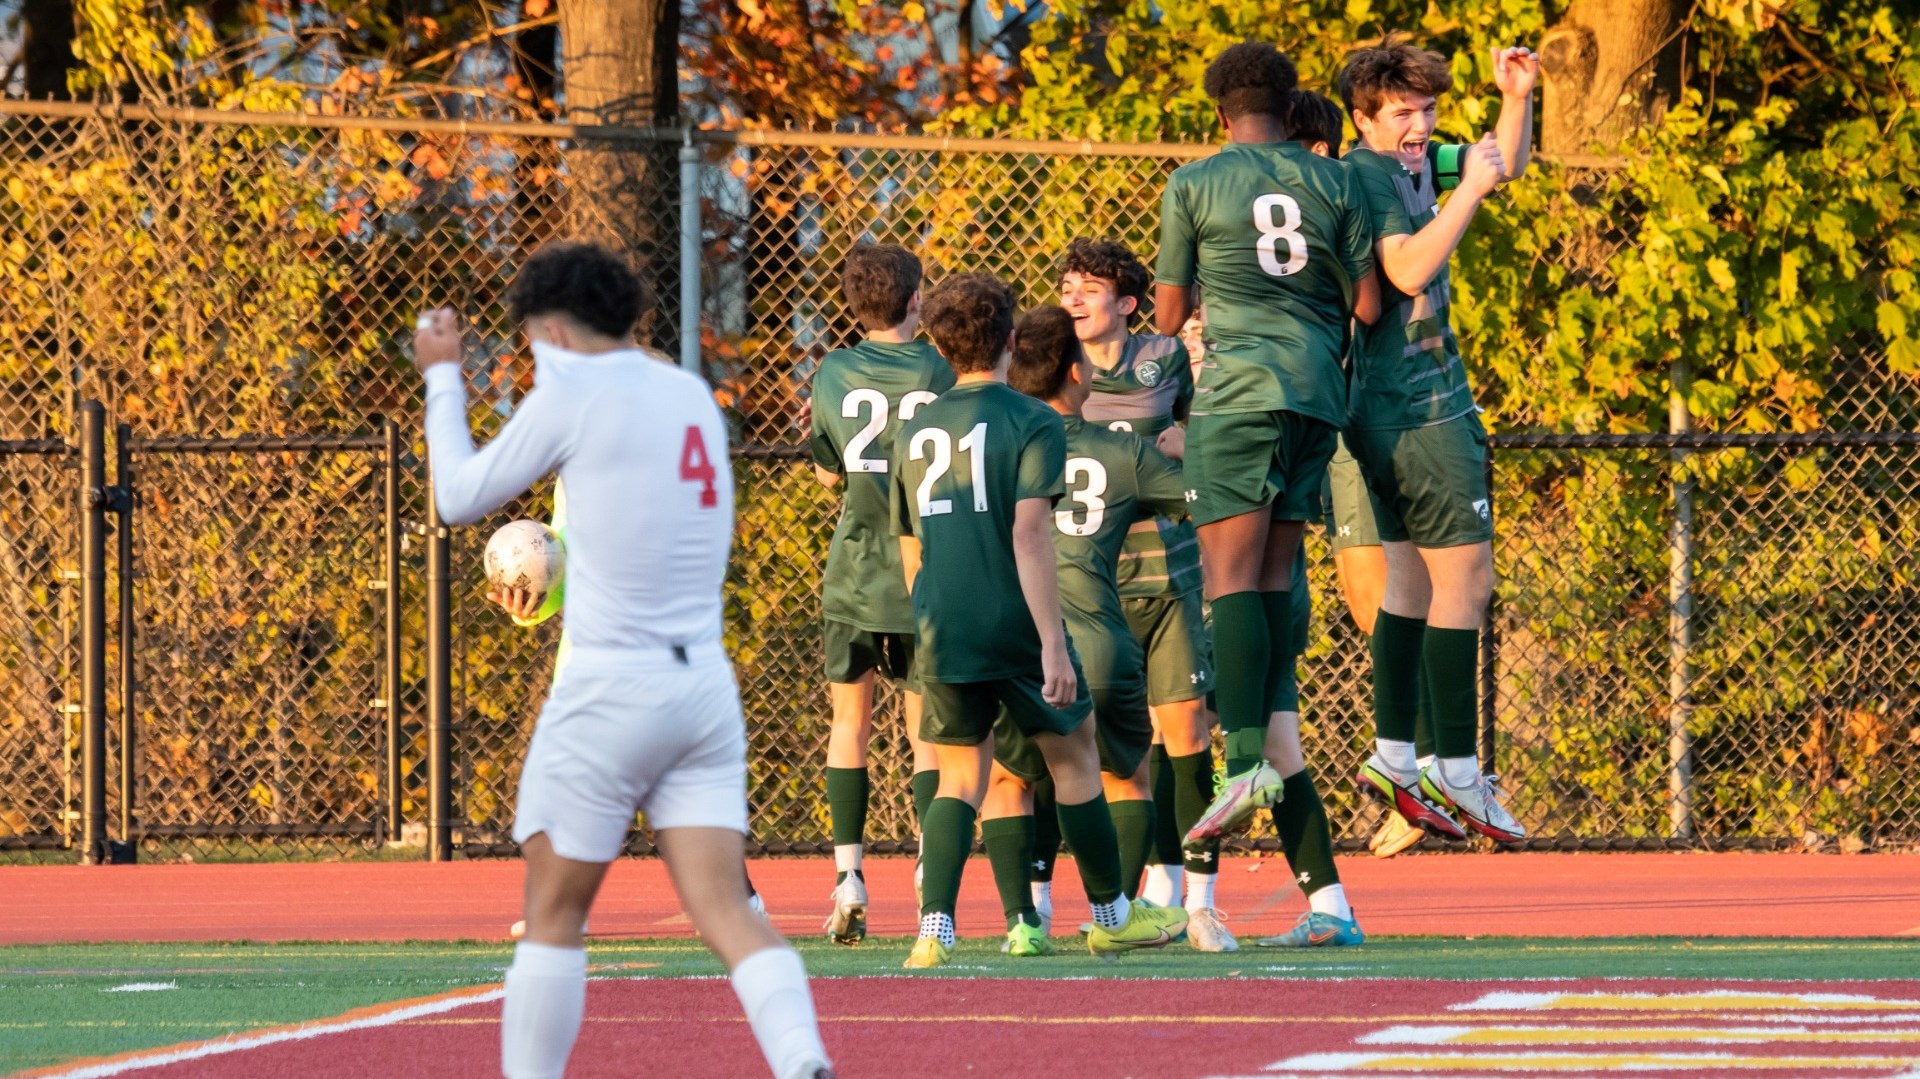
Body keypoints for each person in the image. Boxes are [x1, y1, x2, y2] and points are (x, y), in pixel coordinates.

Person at [416, 241, 832, 1079]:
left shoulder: (574, 395)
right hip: (700, 685)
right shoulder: (689, 399)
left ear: (555, 329)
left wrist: (443, 377)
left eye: (532, 334)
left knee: (553, 913)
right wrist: (555, 591)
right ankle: (801, 1059)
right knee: (726, 908)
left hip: (610, 684)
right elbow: (640, 539)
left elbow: (456, 495)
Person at [889, 272, 1189, 969]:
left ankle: (933, 930)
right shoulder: (1033, 420)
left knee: (961, 775)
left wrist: (931, 617)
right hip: (1016, 619)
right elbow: (1030, 535)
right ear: (1010, 340)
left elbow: (910, 547)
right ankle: (1113, 915)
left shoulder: (916, 426)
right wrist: (1053, 642)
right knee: (1076, 755)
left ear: (939, 345)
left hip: (944, 621)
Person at [1157, 42, 1379, 947]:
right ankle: (1270, 770)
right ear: (1291, 110)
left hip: (1239, 394)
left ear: (1220, 115)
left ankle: (1244, 758)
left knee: (1228, 580)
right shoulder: (1335, 180)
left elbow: (1169, 314)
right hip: (1316, 397)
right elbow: (1368, 304)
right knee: (1276, 574)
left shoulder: (1194, 182)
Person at [1338, 36, 1536, 844]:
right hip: (1417, 408)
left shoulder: (1414, 161)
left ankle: (1395, 756)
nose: (1419, 126)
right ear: (1363, 119)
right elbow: (1407, 269)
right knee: (1468, 582)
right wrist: (1470, 194)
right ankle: (1456, 769)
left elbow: (1504, 162)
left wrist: (1516, 97)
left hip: (1395, 407)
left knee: (1411, 588)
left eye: (1426, 109)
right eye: (1401, 113)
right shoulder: (1369, 174)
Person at [979, 305, 1190, 957]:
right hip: (1096, 637)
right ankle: (1114, 913)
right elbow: (1201, 502)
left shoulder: (991, 444)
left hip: (1012, 638)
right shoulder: (1123, 449)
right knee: (1126, 775)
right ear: (1076, 372)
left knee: (1010, 780)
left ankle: (1024, 920)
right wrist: (1190, 447)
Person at [1283, 87, 1447, 857]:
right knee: (1362, 597)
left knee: (1387, 596)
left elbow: (1372, 300)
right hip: (1303, 411)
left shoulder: (1350, 193)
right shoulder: (1278, 215)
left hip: (1361, 409)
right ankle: (1419, 768)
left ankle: (1420, 771)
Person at [1059, 239, 1234, 950]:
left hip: (1167, 574)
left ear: (1127, 303)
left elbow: (1199, 432)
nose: (1073, 298)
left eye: (1088, 287)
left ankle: (1201, 901)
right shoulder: (1055, 365)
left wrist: (1186, 439)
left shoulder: (1164, 356)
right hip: (1090, 586)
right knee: (1112, 755)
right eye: (1067, 286)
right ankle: (1117, 901)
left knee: (1187, 734)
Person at [808, 243, 952, 943]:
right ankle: (928, 861)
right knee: (926, 732)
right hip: (925, 569)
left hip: (856, 568)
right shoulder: (941, 368)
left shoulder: (834, 370)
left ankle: (849, 875)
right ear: (917, 298)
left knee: (849, 724)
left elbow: (828, 472)